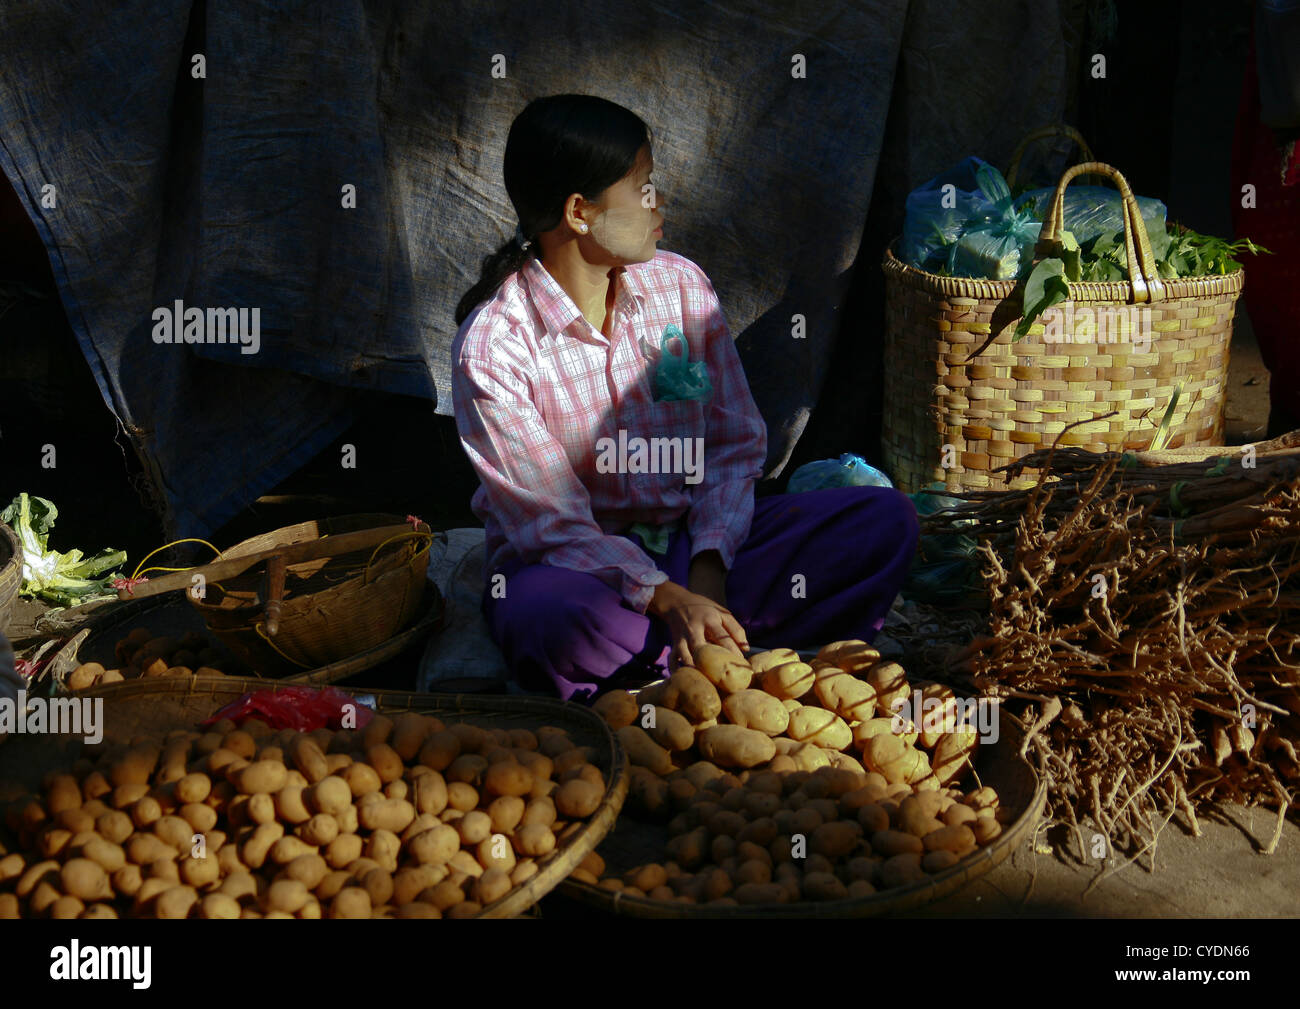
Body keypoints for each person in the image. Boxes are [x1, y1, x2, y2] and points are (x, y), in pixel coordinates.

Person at [450, 94, 918, 701]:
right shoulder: (493, 347)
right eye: (643, 188)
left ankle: (673, 662)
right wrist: (664, 597)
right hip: (581, 575)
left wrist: (708, 572)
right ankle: (720, 657)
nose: (659, 202)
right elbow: (551, 524)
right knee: (550, 618)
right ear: (579, 211)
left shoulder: (679, 286)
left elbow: (732, 446)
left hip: (692, 549)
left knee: (882, 522)